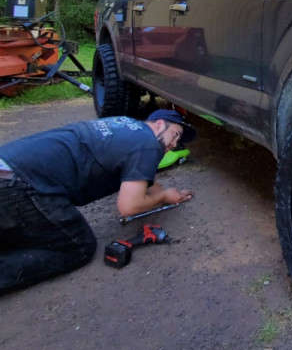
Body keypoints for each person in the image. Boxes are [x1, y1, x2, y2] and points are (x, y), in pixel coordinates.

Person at [0, 109, 196, 294]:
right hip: (22, 185)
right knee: (78, 247)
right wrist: (162, 197)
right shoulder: (149, 144)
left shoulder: (126, 127)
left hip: (9, 168)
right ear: (160, 124)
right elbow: (129, 206)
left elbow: (139, 176)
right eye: (176, 135)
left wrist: (165, 192)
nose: (174, 145)